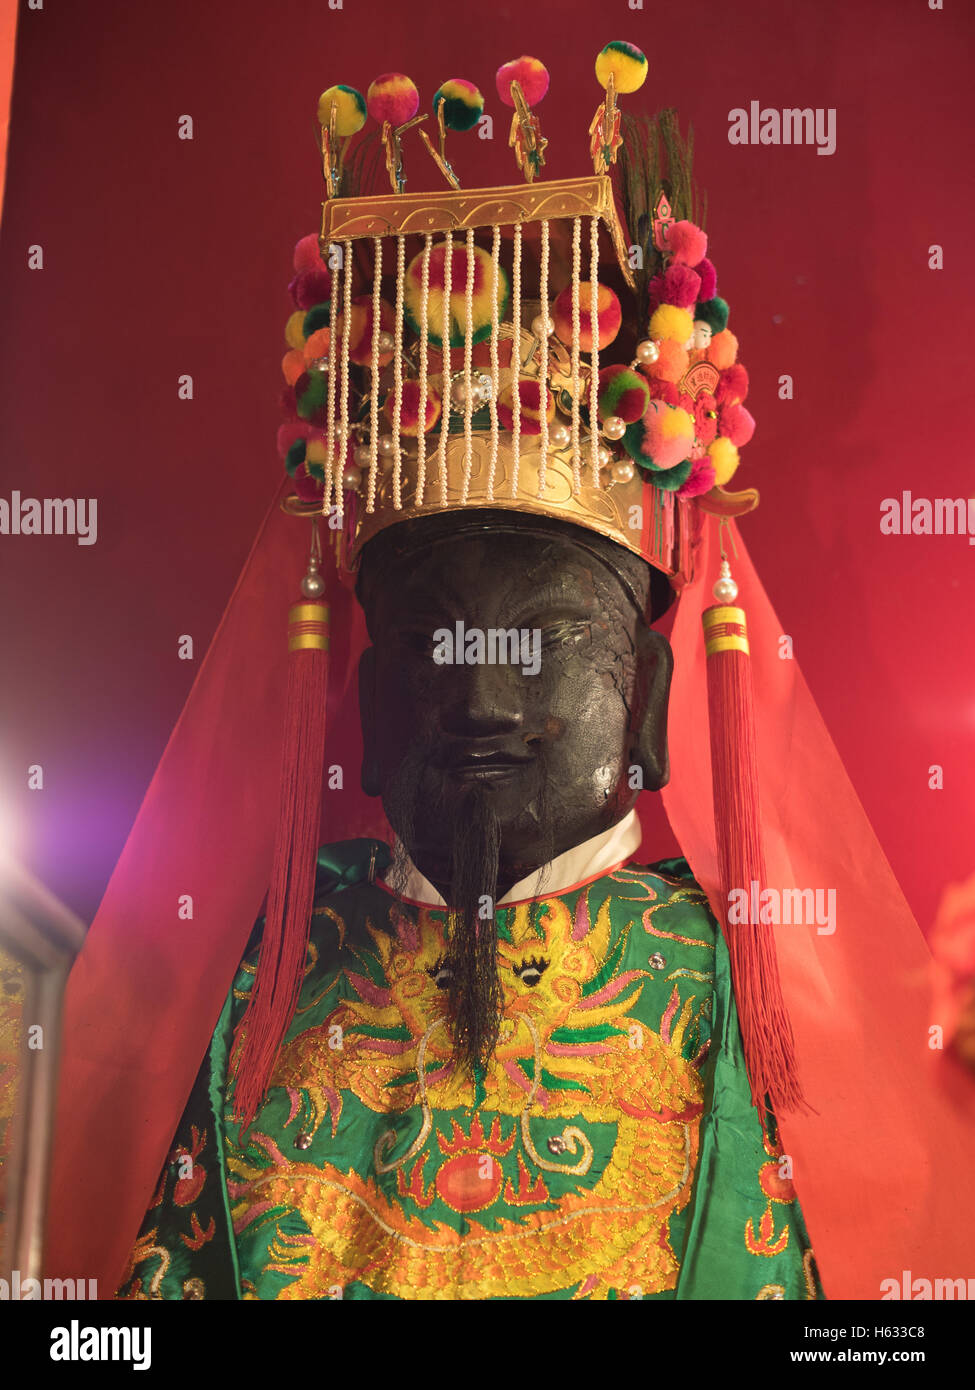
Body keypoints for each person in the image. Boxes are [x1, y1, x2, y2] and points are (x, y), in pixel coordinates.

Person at [38, 52, 975, 1302]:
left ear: (643, 700)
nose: (480, 696)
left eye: (542, 640)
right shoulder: (258, 977)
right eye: (431, 643)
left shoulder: (753, 988)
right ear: (368, 711)